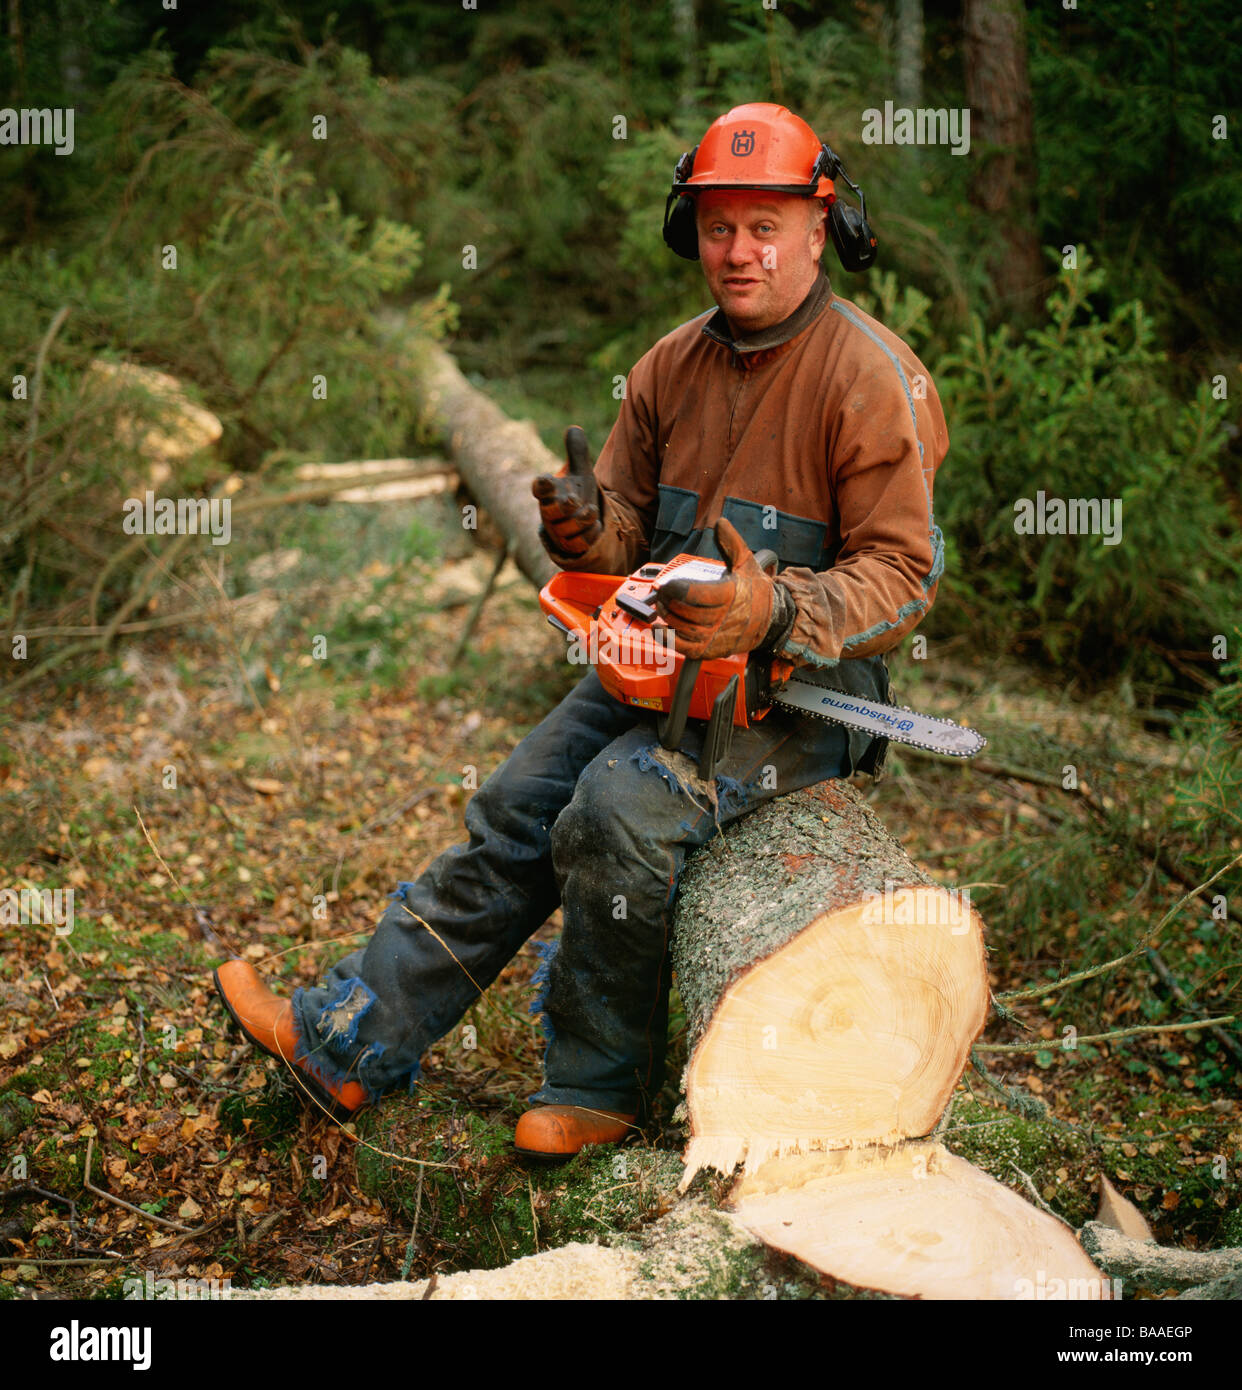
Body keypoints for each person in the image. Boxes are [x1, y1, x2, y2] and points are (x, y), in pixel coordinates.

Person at [214, 102, 949, 1159]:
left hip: (795, 690)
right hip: (662, 661)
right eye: (717, 227)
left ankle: (600, 1086)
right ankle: (346, 1039)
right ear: (690, 229)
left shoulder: (870, 377)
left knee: (616, 807)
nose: (738, 253)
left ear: (818, 227)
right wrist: (583, 526)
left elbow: (904, 577)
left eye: (764, 227)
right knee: (517, 804)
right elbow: (625, 534)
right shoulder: (669, 366)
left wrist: (776, 610)